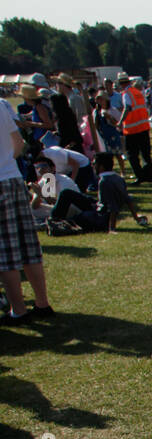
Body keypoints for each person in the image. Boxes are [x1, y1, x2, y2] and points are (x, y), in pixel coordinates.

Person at [0, 93, 54, 321]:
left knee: (5, 252)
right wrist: (5, 163)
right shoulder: (2, 104)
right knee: (27, 244)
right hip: (12, 178)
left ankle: (19, 309)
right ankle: (42, 303)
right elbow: (19, 143)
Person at [46, 152, 147, 233]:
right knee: (69, 193)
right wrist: (136, 217)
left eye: (94, 164)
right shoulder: (118, 178)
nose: (92, 166)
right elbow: (127, 198)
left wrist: (111, 228)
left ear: (101, 167)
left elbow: (112, 207)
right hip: (99, 210)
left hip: (99, 219)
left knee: (66, 196)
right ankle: (56, 219)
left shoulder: (104, 181)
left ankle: (54, 220)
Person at [116, 75, 152, 184]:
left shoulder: (126, 94)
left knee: (132, 155)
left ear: (121, 84)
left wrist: (120, 122)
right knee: (145, 153)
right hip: (143, 126)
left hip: (132, 129)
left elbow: (128, 108)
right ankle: (148, 175)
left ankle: (140, 176)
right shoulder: (138, 92)